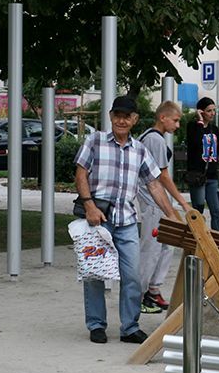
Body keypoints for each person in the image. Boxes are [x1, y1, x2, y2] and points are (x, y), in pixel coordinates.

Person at [74, 95, 176, 345]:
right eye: (117, 115)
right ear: (110, 116)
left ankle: (130, 327)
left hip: (126, 220)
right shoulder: (95, 140)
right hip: (97, 218)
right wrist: (88, 205)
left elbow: (154, 184)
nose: (121, 120)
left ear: (135, 119)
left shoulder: (139, 149)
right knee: (95, 273)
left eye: (126, 116)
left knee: (132, 274)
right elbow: (81, 172)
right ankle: (96, 325)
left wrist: (172, 215)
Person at [137, 101, 190, 313]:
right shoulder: (155, 139)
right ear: (163, 118)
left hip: (156, 201)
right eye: (175, 120)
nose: (177, 126)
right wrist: (182, 202)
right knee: (151, 248)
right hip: (153, 201)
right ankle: (140, 295)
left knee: (166, 245)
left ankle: (153, 289)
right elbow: (163, 176)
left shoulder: (149, 137)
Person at [185, 97, 219, 232]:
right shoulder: (192, 127)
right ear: (201, 111)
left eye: (214, 110)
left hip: (212, 176)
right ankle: (198, 239)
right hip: (198, 175)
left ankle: (218, 241)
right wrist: (200, 122)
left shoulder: (214, 129)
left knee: (216, 210)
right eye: (209, 111)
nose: (213, 113)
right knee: (198, 209)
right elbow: (195, 143)